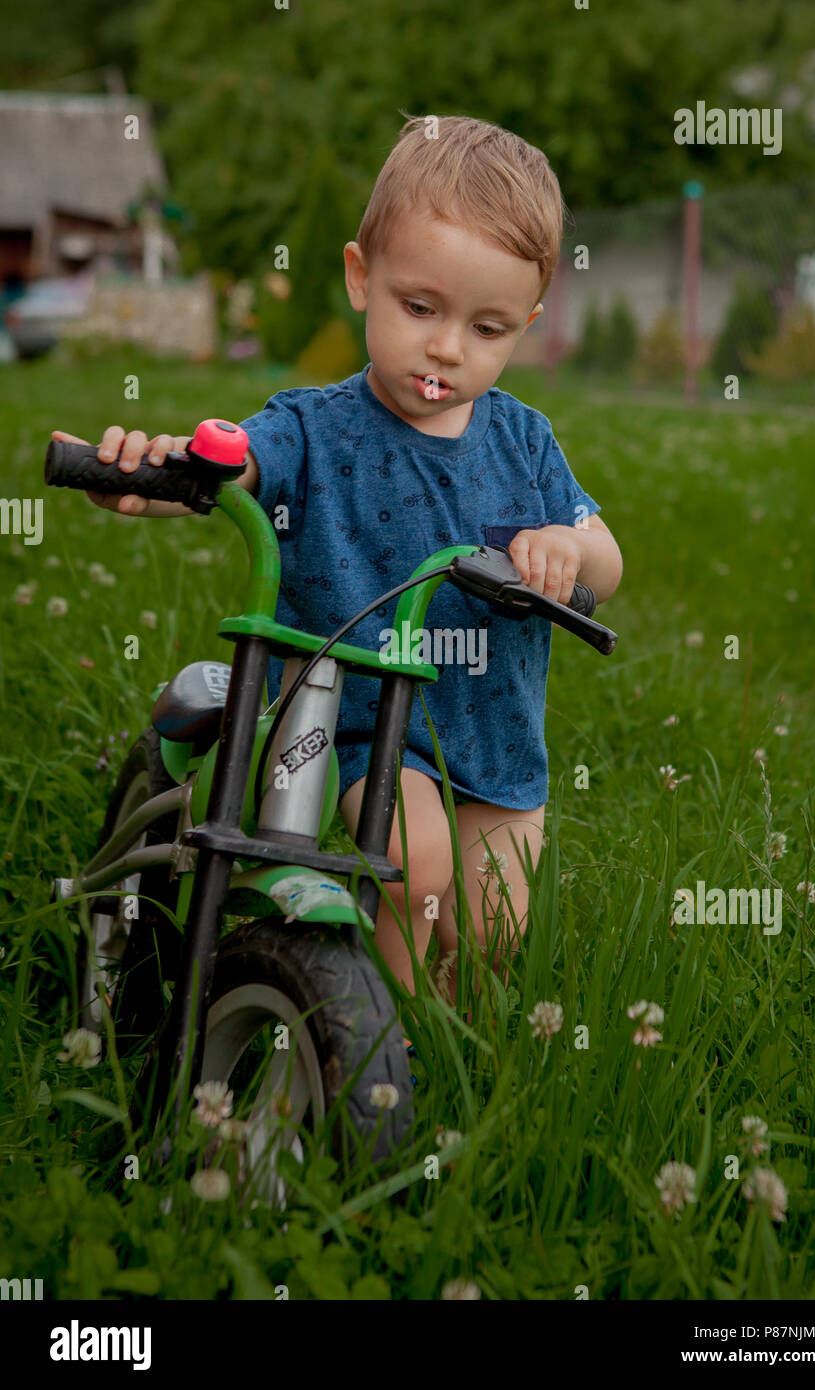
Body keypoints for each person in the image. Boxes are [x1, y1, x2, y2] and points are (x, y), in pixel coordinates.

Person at [51, 114, 623, 1026]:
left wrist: (572, 549)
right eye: (421, 308)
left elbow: (607, 554)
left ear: (529, 324)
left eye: (487, 327)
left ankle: (443, 1048)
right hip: (364, 717)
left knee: (492, 928)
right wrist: (157, 475)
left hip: (495, 730)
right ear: (363, 278)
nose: (446, 349)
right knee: (412, 871)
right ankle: (370, 1036)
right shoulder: (314, 426)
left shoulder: (526, 442)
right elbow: (230, 465)